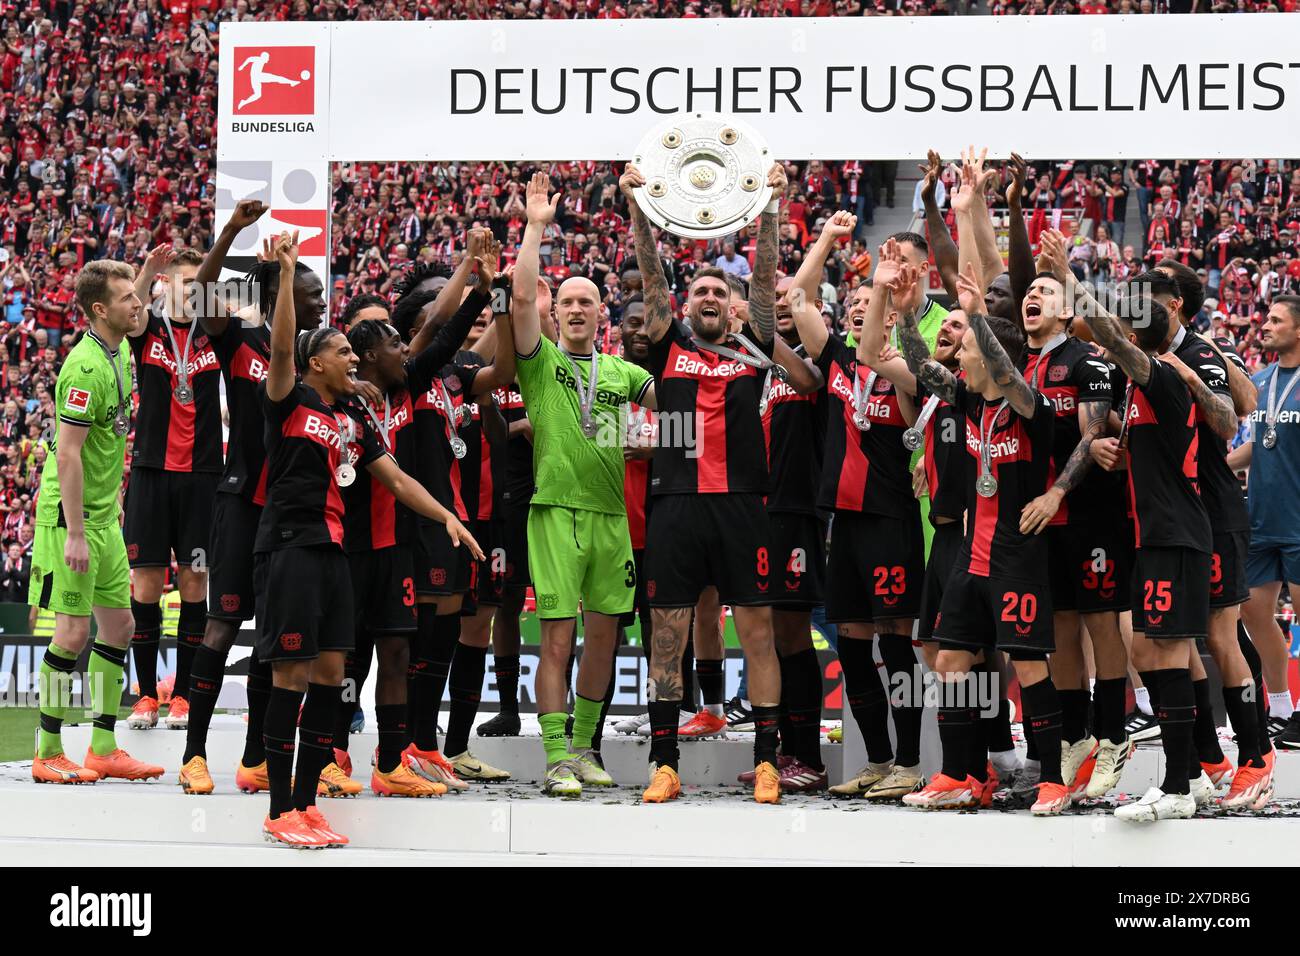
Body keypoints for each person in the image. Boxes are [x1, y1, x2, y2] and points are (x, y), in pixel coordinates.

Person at [255, 230, 482, 848]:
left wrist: (447, 518)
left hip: (332, 553)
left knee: (331, 673)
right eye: (339, 351)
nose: (352, 358)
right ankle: (280, 809)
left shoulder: (352, 417)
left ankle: (306, 802)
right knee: (293, 678)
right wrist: (281, 275)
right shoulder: (287, 397)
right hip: (289, 549)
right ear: (315, 363)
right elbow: (279, 349)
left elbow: (398, 479)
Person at [623, 161, 805, 806]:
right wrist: (639, 204)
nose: (706, 297)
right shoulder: (666, 343)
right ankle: (664, 762)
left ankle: (765, 762)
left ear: (731, 310)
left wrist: (774, 208)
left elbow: (762, 278)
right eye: (697, 289)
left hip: (741, 507)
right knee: (666, 634)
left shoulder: (751, 345)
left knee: (756, 633)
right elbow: (649, 274)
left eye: (715, 293)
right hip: (674, 505)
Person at [1039, 229, 1209, 823]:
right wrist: (1112, 446)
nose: (1112, 345)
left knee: (1161, 652)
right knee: (1150, 647)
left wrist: (1071, 282)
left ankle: (1181, 786)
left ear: (1137, 341)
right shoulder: (1147, 392)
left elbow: (1110, 333)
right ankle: (1190, 776)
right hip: (1156, 534)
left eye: (1123, 338)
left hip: (1172, 532)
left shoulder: (1158, 374)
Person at [896, 263, 1068, 816]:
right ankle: (960, 774)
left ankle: (1053, 779)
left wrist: (976, 316)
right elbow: (922, 366)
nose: (960, 357)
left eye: (967, 348)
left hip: (1018, 557)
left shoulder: (1028, 405)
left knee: (1031, 667)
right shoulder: (970, 401)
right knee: (950, 664)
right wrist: (904, 309)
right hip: (970, 559)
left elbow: (1006, 371)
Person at [176, 199, 327, 796]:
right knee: (220, 626)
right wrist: (234, 229)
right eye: (309, 291)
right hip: (242, 502)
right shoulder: (239, 342)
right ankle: (193, 755)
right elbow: (200, 296)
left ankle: (253, 759)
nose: (318, 301)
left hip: (292, 512)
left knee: (272, 640)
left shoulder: (314, 359)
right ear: (278, 291)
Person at [511, 173, 654, 797]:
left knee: (603, 638)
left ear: (601, 315)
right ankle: (554, 757)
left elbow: (679, 424)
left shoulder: (625, 371)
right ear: (555, 311)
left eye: (585, 302)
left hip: (610, 516)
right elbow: (519, 303)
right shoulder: (539, 364)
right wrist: (537, 226)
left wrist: (655, 435)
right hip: (554, 512)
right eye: (565, 301)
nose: (574, 309)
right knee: (557, 637)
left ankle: (585, 749)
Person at [790, 221, 927, 802]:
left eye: (868, 305)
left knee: (895, 640)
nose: (856, 312)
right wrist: (825, 239)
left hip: (889, 518)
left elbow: (880, 348)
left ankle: (910, 762)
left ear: (891, 314)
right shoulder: (839, 361)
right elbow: (797, 298)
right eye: (850, 305)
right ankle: (875, 759)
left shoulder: (905, 372)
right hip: (842, 519)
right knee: (850, 642)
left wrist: (886, 288)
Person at [31, 260, 163, 785]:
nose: (139, 305)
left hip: (106, 516)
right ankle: (49, 749)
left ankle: (104, 746)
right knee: (72, 632)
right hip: (72, 521)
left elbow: (136, 300)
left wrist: (148, 270)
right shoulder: (84, 368)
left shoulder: (119, 346)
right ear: (100, 311)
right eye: (128, 298)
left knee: (122, 626)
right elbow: (67, 455)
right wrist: (78, 532)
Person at [120, 244, 219, 735]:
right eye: (184, 282)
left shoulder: (217, 335)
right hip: (152, 473)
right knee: (146, 586)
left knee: (196, 585)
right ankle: (143, 696)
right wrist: (146, 272)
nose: (192, 291)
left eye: (200, 284)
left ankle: (182, 694)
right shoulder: (148, 332)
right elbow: (127, 314)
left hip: (203, 478)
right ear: (165, 287)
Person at [1233, 295, 1300, 750]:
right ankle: (1280, 706)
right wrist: (1219, 466)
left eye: (1277, 319)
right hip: (1260, 518)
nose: (1266, 324)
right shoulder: (1259, 381)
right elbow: (1260, 444)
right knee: (1253, 612)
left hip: (1299, 521)